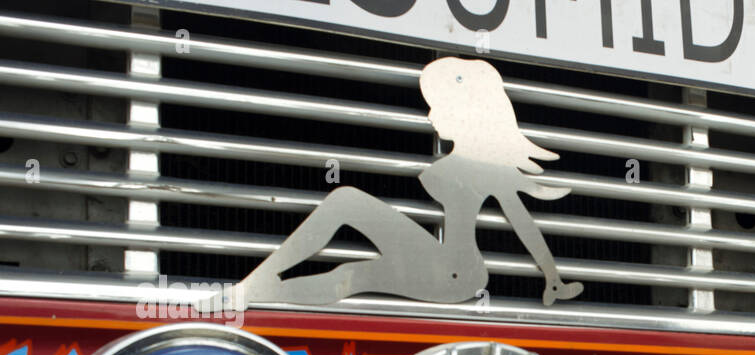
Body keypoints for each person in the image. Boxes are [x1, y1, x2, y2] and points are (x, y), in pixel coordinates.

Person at [229, 57, 583, 309]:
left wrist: (552, 277)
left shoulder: (489, 166)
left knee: (350, 239)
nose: (430, 115)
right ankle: (255, 292)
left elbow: (521, 222)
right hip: (442, 262)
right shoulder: (466, 163)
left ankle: (250, 293)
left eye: (439, 106)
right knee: (349, 249)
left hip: (458, 275)